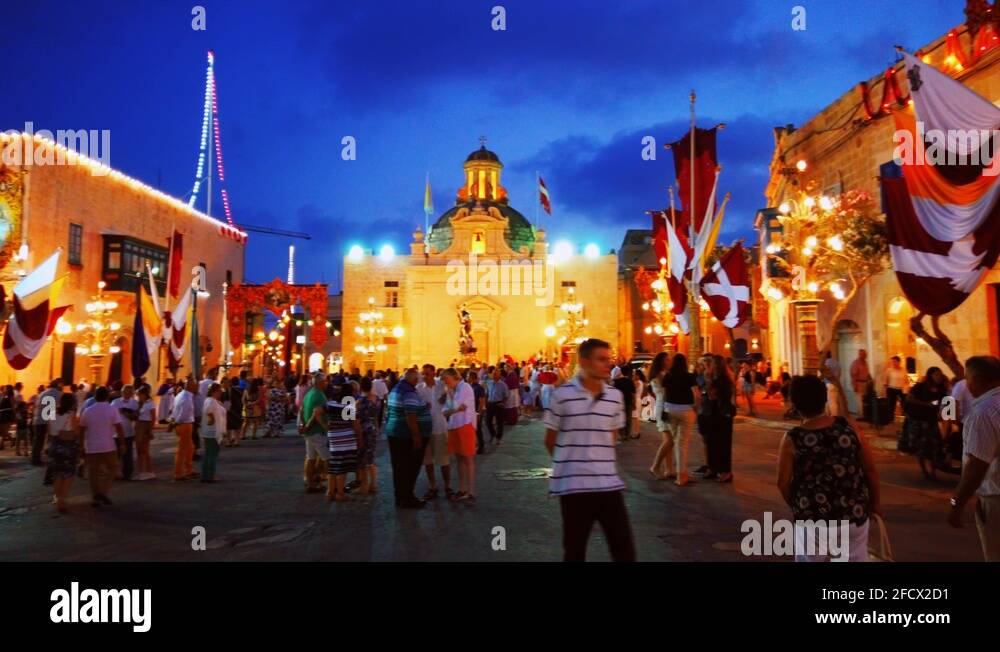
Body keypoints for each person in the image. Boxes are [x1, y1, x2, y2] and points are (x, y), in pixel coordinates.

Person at [544, 338, 635, 562]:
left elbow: (610, 438)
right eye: (601, 359)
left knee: (624, 550)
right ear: (584, 362)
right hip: (574, 487)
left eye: (609, 359)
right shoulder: (562, 395)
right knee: (575, 551)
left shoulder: (614, 397)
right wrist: (570, 464)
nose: (608, 364)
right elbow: (550, 439)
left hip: (608, 484)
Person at [777, 375, 881, 562]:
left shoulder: (793, 439)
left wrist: (799, 506)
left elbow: (782, 483)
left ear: (795, 403)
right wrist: (875, 504)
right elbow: (870, 470)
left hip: (813, 519)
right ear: (824, 399)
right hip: (853, 514)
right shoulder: (850, 429)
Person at [947, 356, 1000, 561]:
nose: (966, 382)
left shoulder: (981, 410)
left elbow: (977, 466)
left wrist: (956, 503)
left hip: (995, 496)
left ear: (978, 379)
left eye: (967, 378)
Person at [384, 368, 431, 508]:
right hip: (405, 436)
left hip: (395, 433)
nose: (418, 381)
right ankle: (408, 497)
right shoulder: (408, 391)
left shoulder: (396, 389)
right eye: (417, 379)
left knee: (399, 467)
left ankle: (400, 497)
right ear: (413, 379)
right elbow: (411, 415)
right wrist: (417, 436)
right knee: (410, 467)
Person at [79, 386, 125, 508]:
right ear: (107, 396)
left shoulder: (88, 411)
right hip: (108, 445)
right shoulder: (112, 409)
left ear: (95, 396)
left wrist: (81, 445)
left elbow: (82, 429)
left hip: (91, 445)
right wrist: (122, 443)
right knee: (113, 468)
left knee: (93, 472)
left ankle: (96, 495)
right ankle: (103, 492)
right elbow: (119, 427)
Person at [660, 353, 701, 486]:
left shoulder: (668, 376)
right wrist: (695, 409)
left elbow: (665, 395)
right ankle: (681, 475)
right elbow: (697, 395)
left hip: (670, 410)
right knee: (682, 443)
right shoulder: (689, 377)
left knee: (677, 441)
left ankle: (681, 473)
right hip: (685, 411)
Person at [418, 364, 452, 499]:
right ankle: (432, 486)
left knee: (444, 460)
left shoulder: (442, 386)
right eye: (423, 374)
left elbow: (452, 401)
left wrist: (447, 400)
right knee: (428, 461)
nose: (424, 376)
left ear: (433, 373)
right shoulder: (419, 389)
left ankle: (448, 486)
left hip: (440, 427)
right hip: (426, 429)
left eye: (427, 373)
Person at [442, 368, 477, 502]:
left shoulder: (465, 387)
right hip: (454, 426)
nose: (446, 382)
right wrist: (454, 409)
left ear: (453, 377)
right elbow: (445, 411)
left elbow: (456, 406)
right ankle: (462, 489)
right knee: (459, 459)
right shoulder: (452, 390)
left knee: (468, 459)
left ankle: (471, 491)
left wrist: (453, 407)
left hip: (465, 425)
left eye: (447, 379)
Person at [703, 355, 736, 483]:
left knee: (723, 444)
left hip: (722, 415)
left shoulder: (722, 380)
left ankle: (725, 472)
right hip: (715, 414)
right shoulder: (719, 379)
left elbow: (711, 395)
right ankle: (714, 468)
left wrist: (708, 379)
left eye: (712, 364)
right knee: (712, 442)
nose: (710, 367)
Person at [47, 393, 81, 513]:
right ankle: (63, 500)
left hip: (55, 445)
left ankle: (58, 499)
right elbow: (76, 432)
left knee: (57, 473)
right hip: (68, 447)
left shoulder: (52, 412)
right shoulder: (71, 415)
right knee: (68, 474)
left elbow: (50, 431)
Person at [326, 382, 360, 502]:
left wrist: (327, 427)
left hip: (333, 438)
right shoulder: (349, 406)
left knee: (333, 465)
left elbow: (317, 411)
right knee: (342, 468)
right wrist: (359, 440)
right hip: (346, 439)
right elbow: (355, 424)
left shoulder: (331, 404)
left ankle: (330, 492)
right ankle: (340, 493)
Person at [298, 372, 330, 494]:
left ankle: (310, 483)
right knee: (327, 458)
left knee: (311, 457)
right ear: (320, 383)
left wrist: (303, 424)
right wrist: (308, 426)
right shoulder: (319, 395)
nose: (326, 383)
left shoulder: (309, 393)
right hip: (316, 431)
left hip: (310, 433)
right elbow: (315, 415)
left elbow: (301, 410)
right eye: (325, 381)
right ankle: (334, 484)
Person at [904, 366, 948, 453]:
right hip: (918, 418)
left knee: (934, 443)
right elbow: (909, 398)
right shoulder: (920, 386)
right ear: (930, 375)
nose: (939, 376)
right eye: (937, 374)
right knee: (920, 444)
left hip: (931, 418)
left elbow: (944, 401)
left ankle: (934, 462)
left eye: (940, 374)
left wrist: (941, 410)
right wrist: (926, 404)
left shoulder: (942, 389)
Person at [648, 352, 674, 479]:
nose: (670, 362)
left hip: (663, 405)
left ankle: (669, 469)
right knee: (670, 440)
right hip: (663, 408)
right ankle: (655, 466)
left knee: (668, 441)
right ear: (662, 362)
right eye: (668, 360)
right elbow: (666, 389)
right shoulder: (661, 375)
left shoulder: (660, 374)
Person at [169, 379, 198, 481]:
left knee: (190, 447)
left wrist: (173, 422)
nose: (197, 388)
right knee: (183, 449)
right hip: (184, 424)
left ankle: (188, 469)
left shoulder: (181, 395)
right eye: (195, 386)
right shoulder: (187, 398)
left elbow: (174, 409)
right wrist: (175, 422)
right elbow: (183, 413)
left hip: (182, 424)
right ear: (190, 387)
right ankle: (179, 473)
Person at [354, 377, 379, 494]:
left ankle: (364, 486)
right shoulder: (376, 399)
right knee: (371, 458)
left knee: (362, 459)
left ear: (360, 386)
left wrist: (358, 438)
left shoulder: (359, 401)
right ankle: (373, 484)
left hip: (363, 431)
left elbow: (356, 420)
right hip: (374, 429)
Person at [30, 379, 63, 467]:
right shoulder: (59, 394)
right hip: (49, 419)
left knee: (38, 441)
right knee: (52, 439)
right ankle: (51, 457)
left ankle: (35, 458)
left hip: (39, 419)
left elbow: (37, 406)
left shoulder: (42, 393)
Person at [110, 385, 139, 481]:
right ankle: (115, 473)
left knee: (127, 454)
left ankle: (127, 473)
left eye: (129, 393)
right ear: (122, 393)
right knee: (115, 454)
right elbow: (111, 416)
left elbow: (136, 417)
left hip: (128, 432)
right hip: (115, 432)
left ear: (132, 393)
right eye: (125, 392)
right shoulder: (115, 402)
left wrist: (126, 413)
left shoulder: (134, 403)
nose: (126, 395)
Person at [199, 382, 226, 483]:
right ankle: (209, 475)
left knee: (209, 453)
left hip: (211, 431)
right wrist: (212, 419)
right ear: (215, 391)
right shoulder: (211, 401)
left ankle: (206, 474)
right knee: (212, 454)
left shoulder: (212, 400)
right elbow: (208, 410)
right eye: (219, 391)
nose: (220, 393)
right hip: (212, 432)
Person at [134, 385, 156, 480]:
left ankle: (149, 471)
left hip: (146, 425)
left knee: (145, 450)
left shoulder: (150, 403)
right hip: (139, 425)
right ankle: (140, 471)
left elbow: (153, 417)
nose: (139, 396)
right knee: (139, 450)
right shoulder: (139, 403)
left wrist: (150, 429)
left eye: (140, 394)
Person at [484, 367, 509, 446]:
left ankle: (498, 437)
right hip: (490, 404)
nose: (494, 375)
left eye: (496, 373)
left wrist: (503, 403)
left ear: (499, 375)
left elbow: (506, 395)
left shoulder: (503, 385)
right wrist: (485, 403)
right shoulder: (489, 383)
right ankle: (493, 434)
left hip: (498, 404)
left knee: (499, 422)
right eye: (493, 373)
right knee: (487, 421)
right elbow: (487, 394)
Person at [612, 366, 637, 442]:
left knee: (620, 418)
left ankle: (621, 435)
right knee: (628, 419)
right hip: (628, 402)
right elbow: (633, 394)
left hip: (619, 403)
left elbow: (614, 392)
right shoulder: (630, 381)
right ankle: (627, 435)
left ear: (621, 372)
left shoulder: (616, 381)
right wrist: (634, 403)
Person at [468, 371, 486, 454]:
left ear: (472, 377)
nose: (467, 377)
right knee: (474, 430)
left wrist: (478, 413)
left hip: (476, 412)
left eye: (468, 376)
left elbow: (481, 401)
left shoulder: (478, 388)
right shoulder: (471, 387)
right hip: (471, 412)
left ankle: (481, 447)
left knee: (478, 430)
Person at [849, 349, 872, 415]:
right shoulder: (855, 363)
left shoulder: (865, 363)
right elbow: (853, 375)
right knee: (859, 400)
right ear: (859, 355)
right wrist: (855, 385)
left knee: (864, 400)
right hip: (858, 383)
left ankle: (864, 414)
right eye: (862, 354)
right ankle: (861, 415)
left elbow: (867, 373)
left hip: (865, 383)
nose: (864, 356)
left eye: (865, 354)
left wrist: (870, 379)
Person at [225, 376, 244, 447]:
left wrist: (226, 409)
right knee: (237, 426)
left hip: (230, 409)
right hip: (239, 409)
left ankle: (228, 441)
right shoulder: (242, 390)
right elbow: (243, 400)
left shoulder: (229, 390)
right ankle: (237, 441)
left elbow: (227, 400)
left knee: (229, 426)